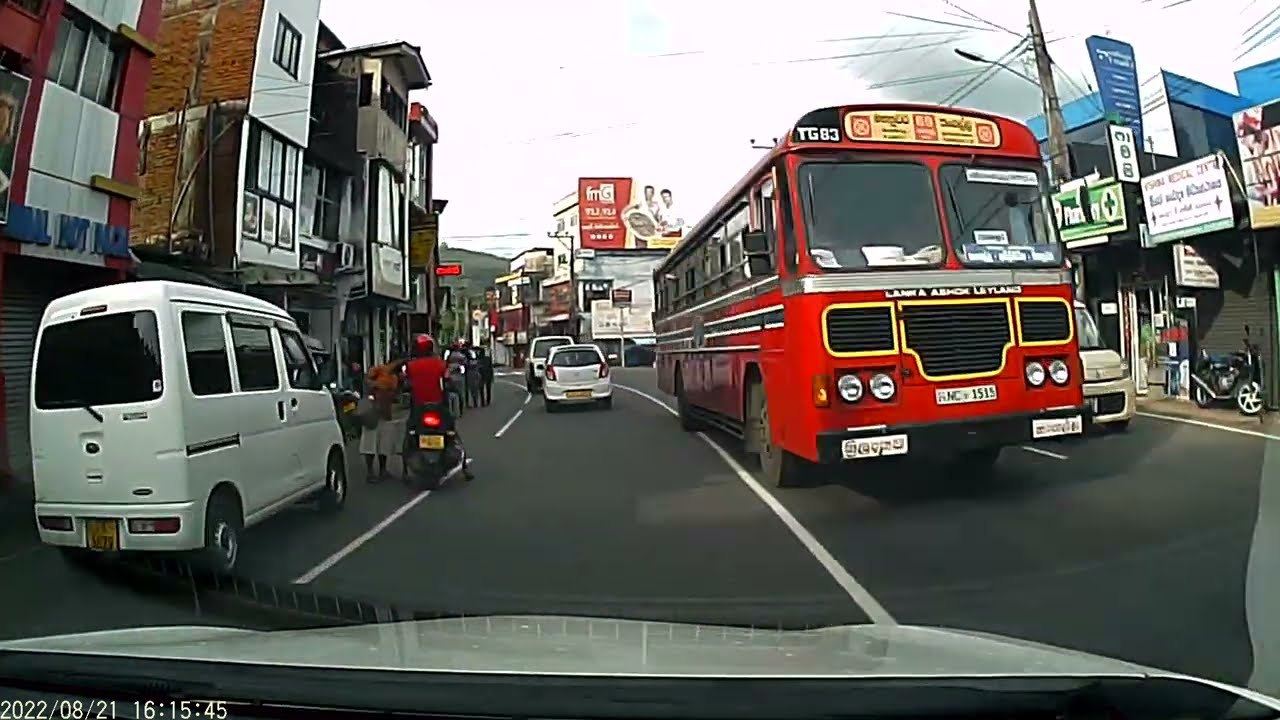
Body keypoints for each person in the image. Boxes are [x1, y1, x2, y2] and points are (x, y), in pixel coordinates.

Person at [405, 334, 473, 480]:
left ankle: (405, 470)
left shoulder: (410, 366)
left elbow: (405, 384)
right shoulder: (440, 364)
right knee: (452, 433)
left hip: (419, 408)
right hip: (439, 407)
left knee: (409, 434)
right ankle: (464, 468)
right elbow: (448, 380)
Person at [360, 362, 400, 483]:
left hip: (380, 412)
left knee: (381, 443)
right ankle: (373, 472)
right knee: (374, 443)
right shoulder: (385, 377)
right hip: (375, 413)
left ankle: (378, 471)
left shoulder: (391, 379)